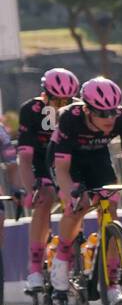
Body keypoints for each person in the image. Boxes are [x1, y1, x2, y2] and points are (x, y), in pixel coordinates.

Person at [49, 77, 122, 299]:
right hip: (67, 160)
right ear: (87, 109)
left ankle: (111, 281)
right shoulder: (71, 118)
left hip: (97, 156)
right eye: (102, 113)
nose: (109, 118)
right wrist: (69, 195)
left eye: (112, 112)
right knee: (77, 206)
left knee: (111, 206)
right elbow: (62, 169)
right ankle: (62, 258)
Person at [17, 68, 78, 289]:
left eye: (68, 100)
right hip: (40, 161)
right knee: (45, 198)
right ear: (45, 95)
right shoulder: (31, 110)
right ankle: (34, 267)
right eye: (57, 100)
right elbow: (24, 158)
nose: (62, 105)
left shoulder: (78, 111)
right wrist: (30, 188)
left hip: (67, 159)